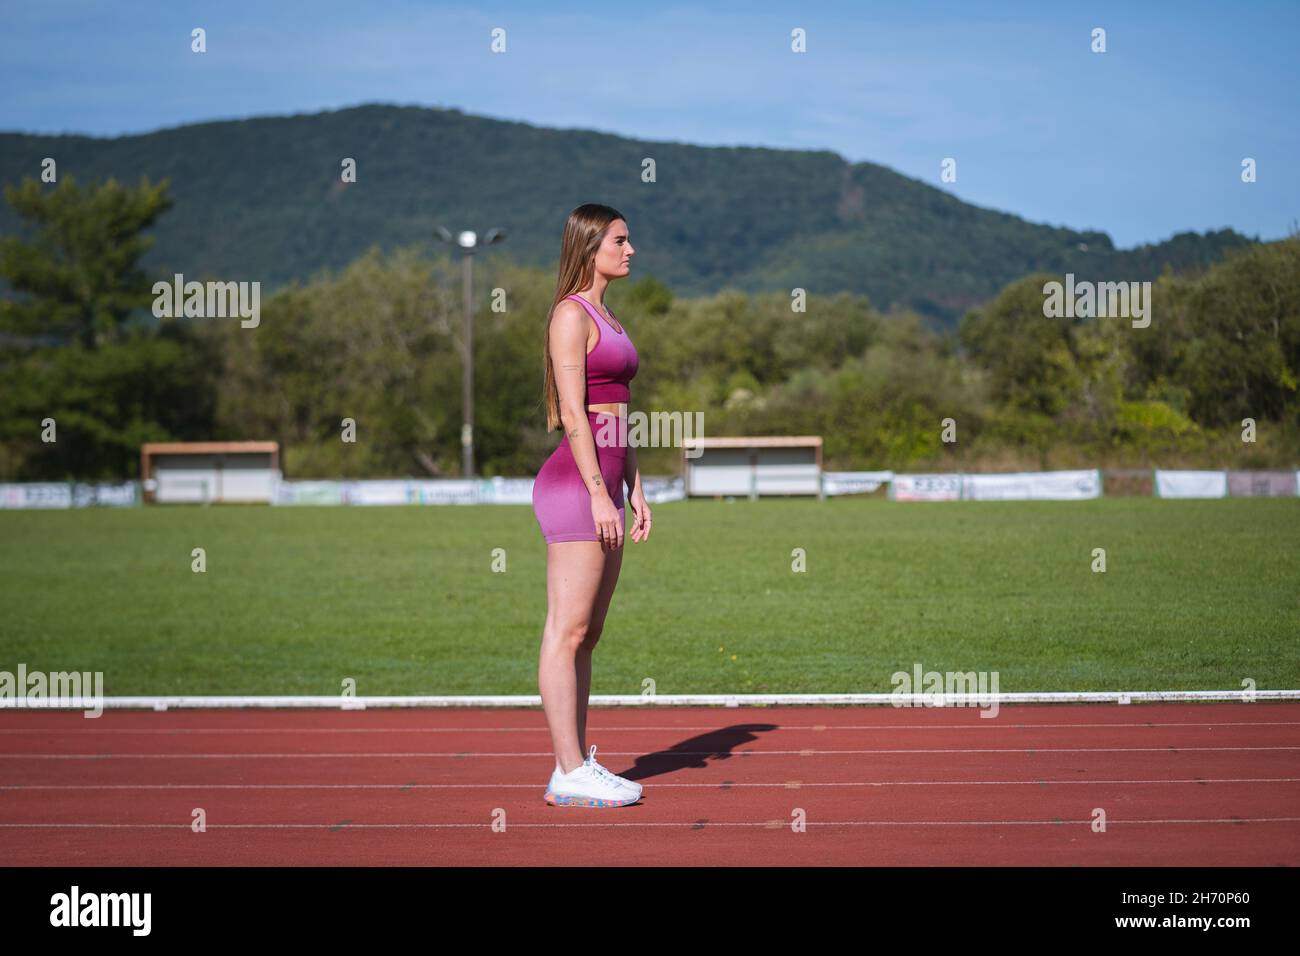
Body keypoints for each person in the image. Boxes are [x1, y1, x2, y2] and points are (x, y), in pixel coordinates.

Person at [532, 203, 652, 808]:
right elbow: (576, 415)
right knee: (567, 628)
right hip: (574, 486)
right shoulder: (569, 315)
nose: (630, 250)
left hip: (606, 482)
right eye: (620, 241)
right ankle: (567, 769)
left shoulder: (609, 314)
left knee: (590, 632)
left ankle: (576, 763)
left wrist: (635, 485)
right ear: (589, 246)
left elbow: (619, 414)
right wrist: (600, 493)